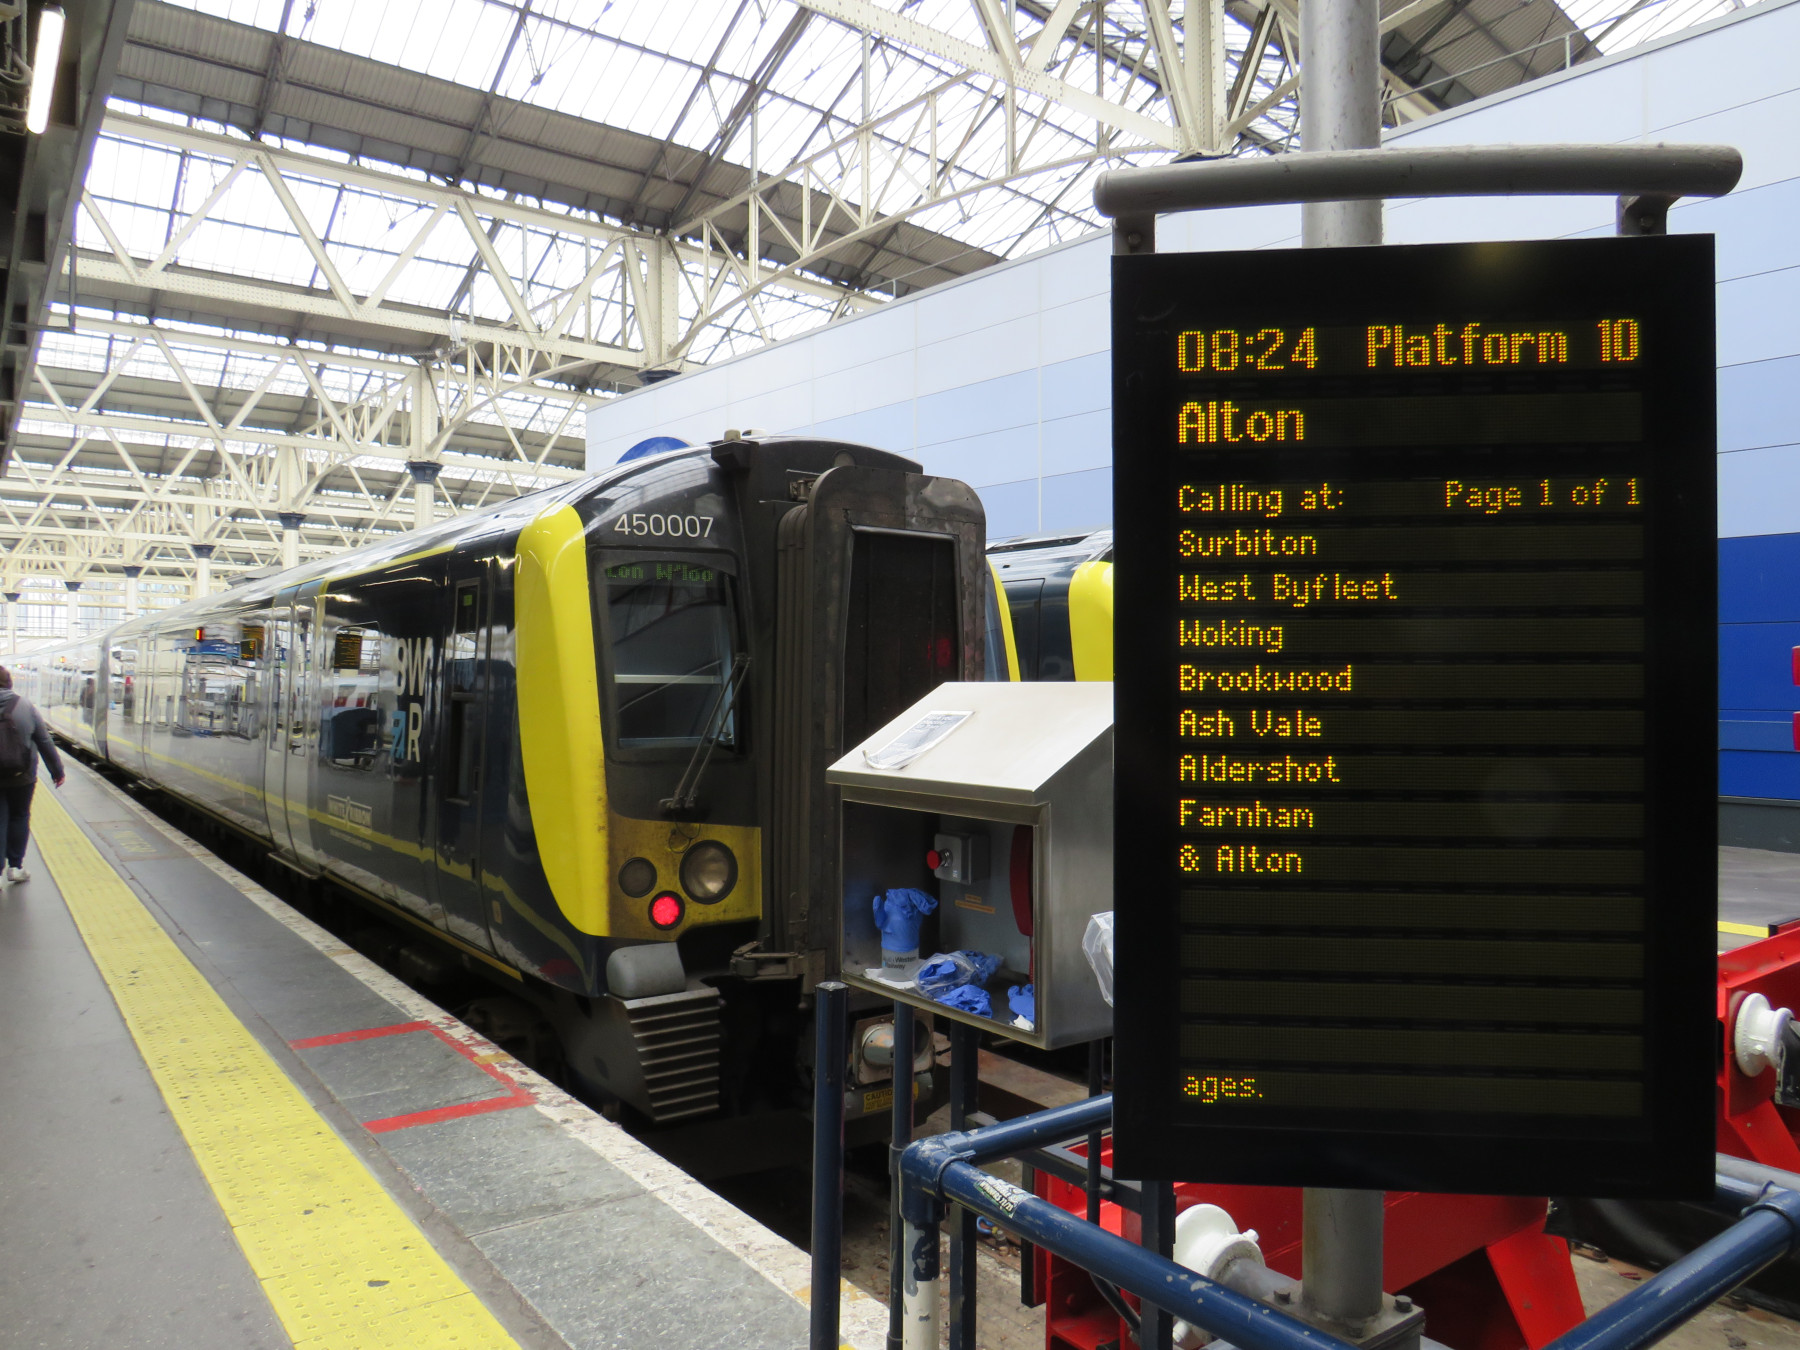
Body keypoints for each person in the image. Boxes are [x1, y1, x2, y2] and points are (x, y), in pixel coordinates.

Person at [0, 665, 65, 884]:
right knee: (19, 816)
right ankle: (16, 867)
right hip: (22, 775)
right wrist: (56, 770)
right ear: (9, 682)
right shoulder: (25, 705)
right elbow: (44, 740)